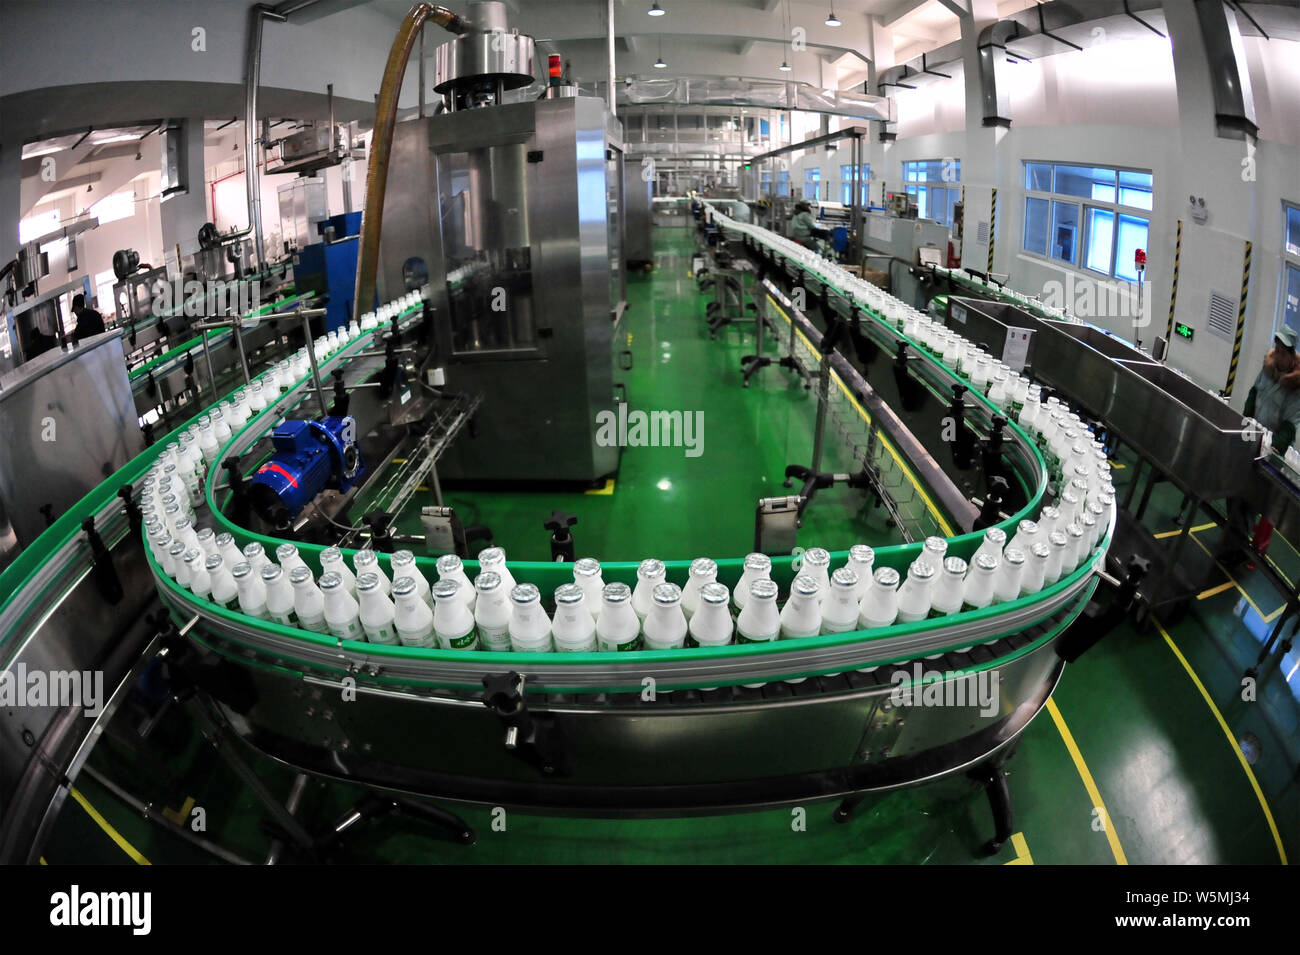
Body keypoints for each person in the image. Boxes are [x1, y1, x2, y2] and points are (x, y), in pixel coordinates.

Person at [1240, 326, 1300, 559]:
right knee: (1239, 492)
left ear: (1291, 355)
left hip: (1269, 452)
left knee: (1257, 499)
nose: (1278, 353)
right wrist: (1244, 419)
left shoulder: (1295, 388)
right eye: (1277, 348)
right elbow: (1254, 393)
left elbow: (1291, 423)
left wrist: (1278, 446)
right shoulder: (1267, 369)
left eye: (1283, 351)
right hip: (1250, 438)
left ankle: (1248, 550)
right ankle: (1237, 538)